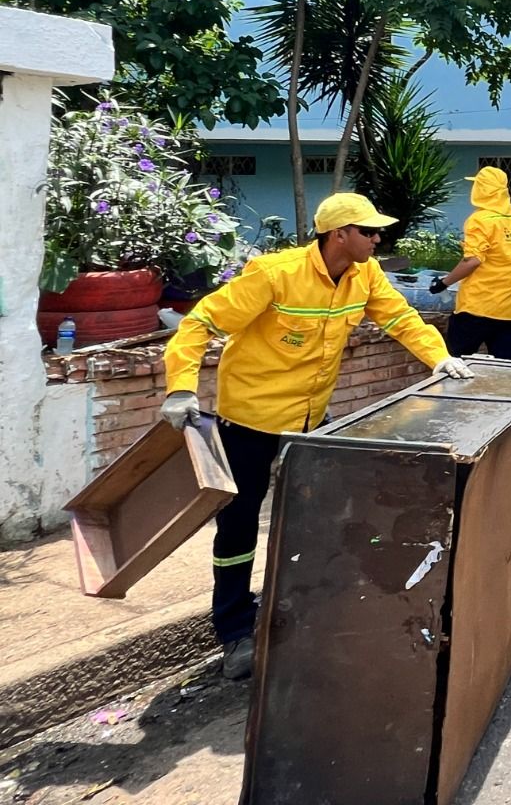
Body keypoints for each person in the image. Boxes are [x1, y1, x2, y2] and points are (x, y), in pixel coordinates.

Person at [160, 193, 474, 680]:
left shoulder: (365, 275)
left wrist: (439, 358)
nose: (377, 238)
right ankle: (235, 630)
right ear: (338, 234)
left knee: (324, 514)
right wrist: (181, 387)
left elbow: (400, 319)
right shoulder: (274, 274)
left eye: (377, 231)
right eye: (367, 231)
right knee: (239, 526)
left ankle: (306, 603)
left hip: (309, 422)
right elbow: (200, 323)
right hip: (250, 420)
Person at [429, 165, 511, 359]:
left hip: (476, 309)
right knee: (503, 367)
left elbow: (472, 261)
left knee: (455, 364)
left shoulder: (480, 221)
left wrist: (444, 283)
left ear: (481, 190)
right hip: (510, 312)